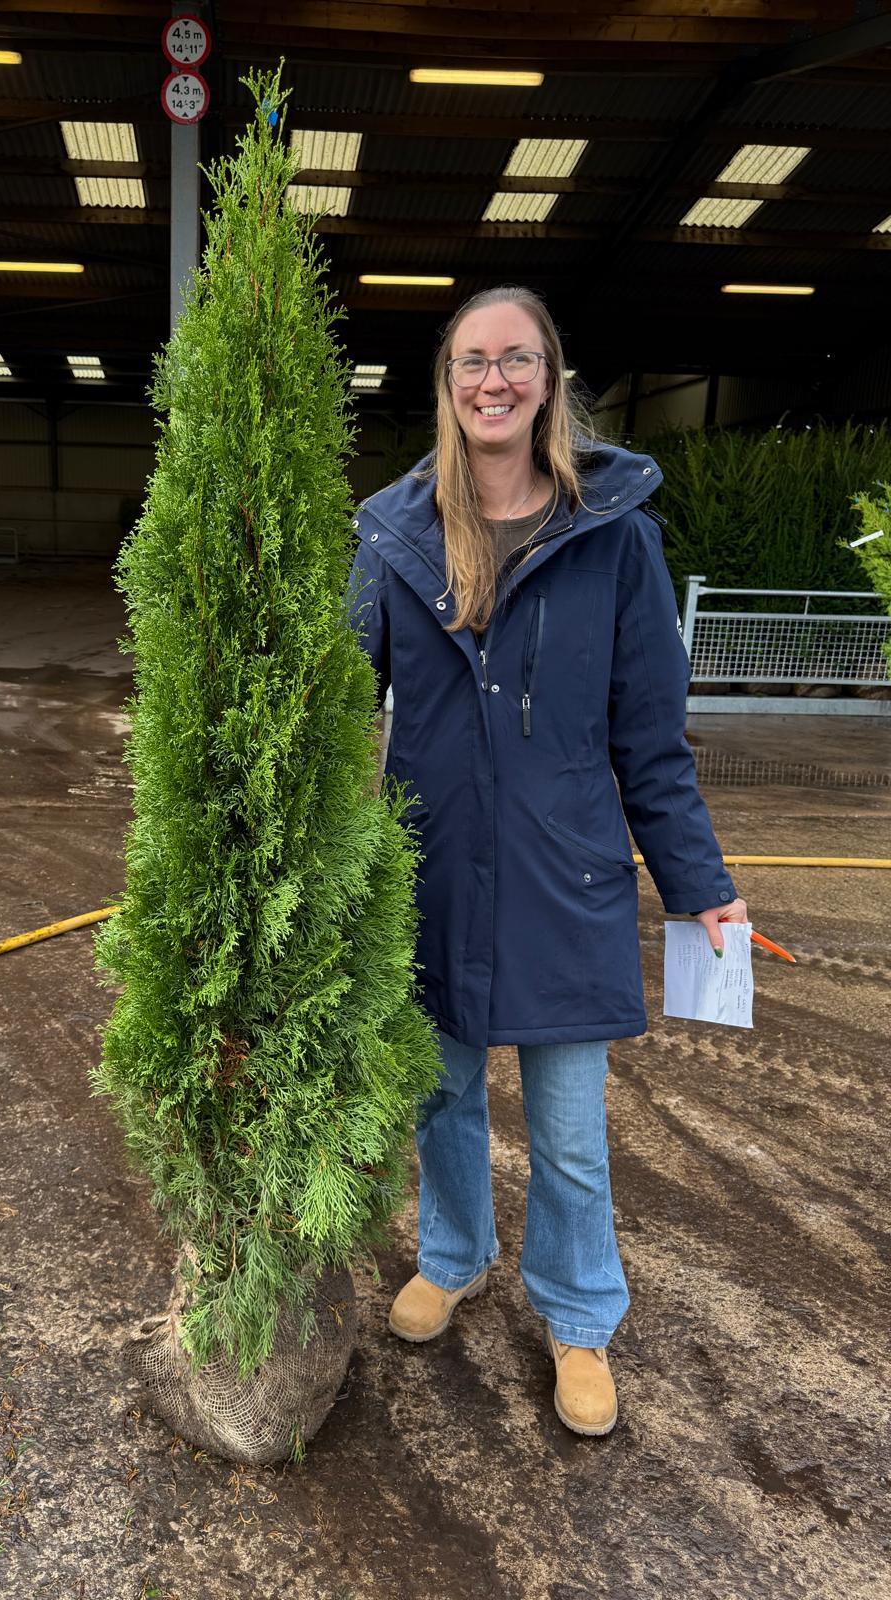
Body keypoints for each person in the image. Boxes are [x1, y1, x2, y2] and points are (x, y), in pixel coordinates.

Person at [346, 285, 748, 1437]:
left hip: (565, 878)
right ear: (447, 382)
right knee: (443, 1098)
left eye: (516, 359)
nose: (494, 380)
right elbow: (335, 707)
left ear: (550, 379)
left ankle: (578, 1317)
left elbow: (651, 743)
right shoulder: (395, 535)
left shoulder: (615, 538)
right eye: (473, 361)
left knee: (569, 1134)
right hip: (430, 874)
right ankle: (454, 1254)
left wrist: (703, 887)